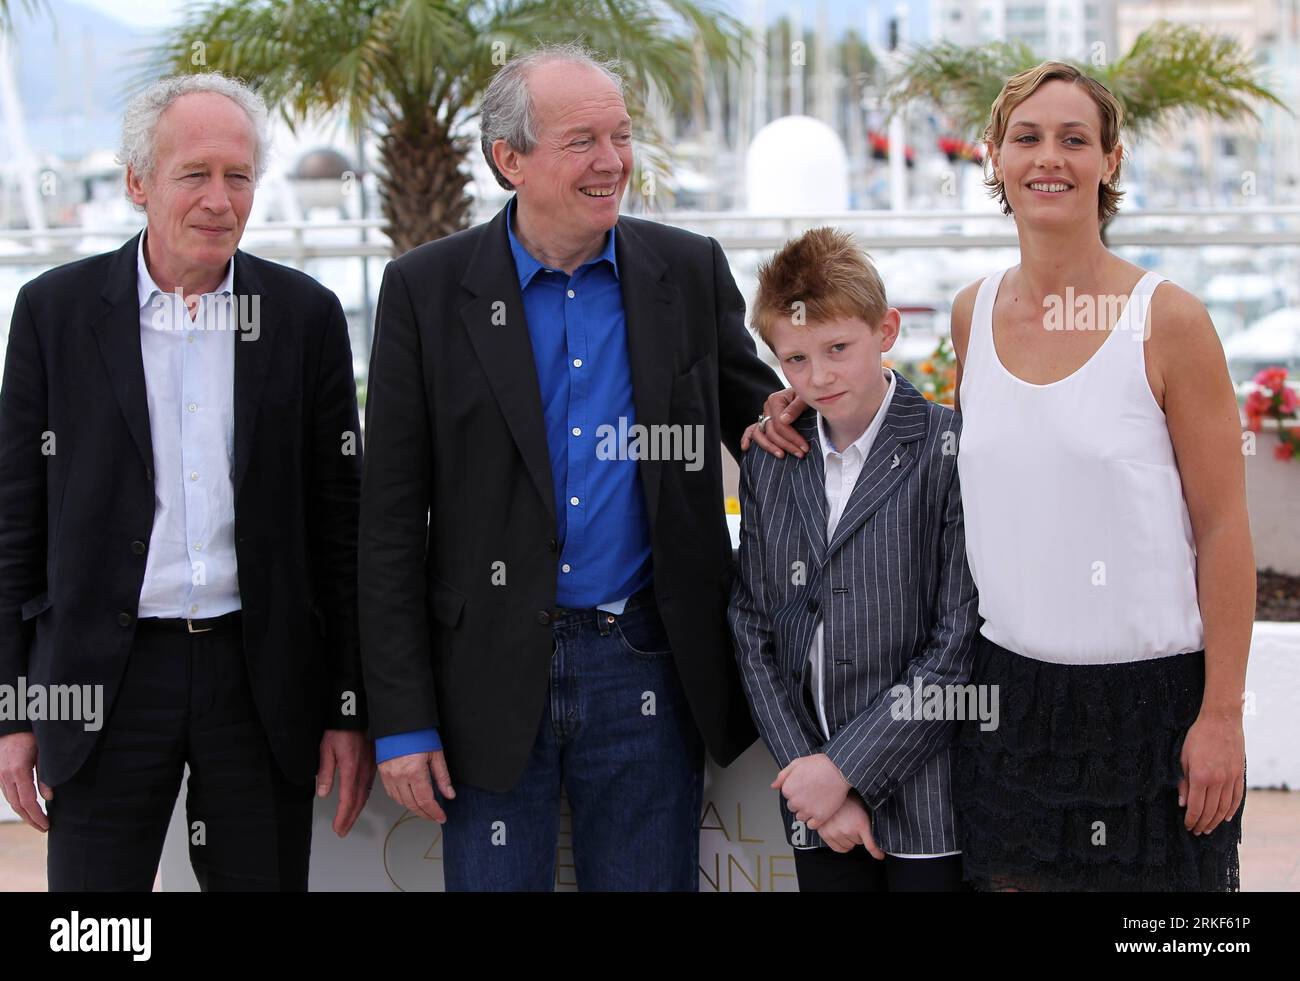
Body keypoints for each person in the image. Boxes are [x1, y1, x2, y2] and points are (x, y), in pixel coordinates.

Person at [358, 43, 782, 891]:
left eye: (620, 136)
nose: (612, 161)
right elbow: (390, 523)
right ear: (509, 159)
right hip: (483, 680)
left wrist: (882, 414)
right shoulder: (423, 289)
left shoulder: (688, 269)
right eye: (582, 140)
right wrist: (401, 722)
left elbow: (768, 424)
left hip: (648, 668)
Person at [0, 73, 373, 891]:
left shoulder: (305, 315)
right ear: (138, 182)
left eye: (238, 176)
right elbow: (14, 529)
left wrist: (348, 705)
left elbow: (342, 529)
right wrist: (14, 711)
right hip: (104, 681)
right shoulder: (52, 314)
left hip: (260, 677)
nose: (219, 199)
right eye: (193, 174)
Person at [946, 62, 1250, 891]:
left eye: (1075, 139)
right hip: (1006, 702)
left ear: (1110, 162)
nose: (1051, 157)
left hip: (1153, 711)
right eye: (1028, 137)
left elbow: (1224, 529)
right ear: (996, 159)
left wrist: (1222, 714)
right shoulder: (971, 313)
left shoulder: (1170, 321)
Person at [729, 227, 979, 892]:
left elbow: (957, 641)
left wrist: (846, 770)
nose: (819, 376)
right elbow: (754, 626)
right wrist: (808, 772)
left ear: (886, 328)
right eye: (796, 360)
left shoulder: (948, 448)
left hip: (930, 798)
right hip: (812, 793)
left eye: (839, 348)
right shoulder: (770, 458)